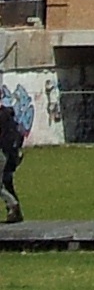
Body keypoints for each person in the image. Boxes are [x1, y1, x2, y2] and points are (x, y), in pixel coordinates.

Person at [0, 85, 27, 222]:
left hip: (4, 153)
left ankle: (13, 207)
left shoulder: (2, 116)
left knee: (4, 183)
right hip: (11, 153)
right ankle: (15, 213)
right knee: (7, 182)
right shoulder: (8, 114)